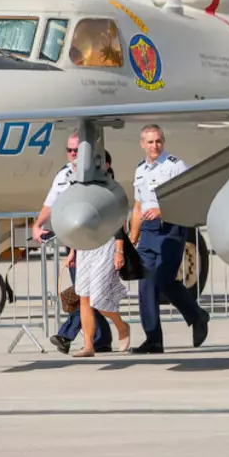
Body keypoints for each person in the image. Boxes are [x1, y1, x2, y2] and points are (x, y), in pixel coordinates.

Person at [129, 124, 210, 354]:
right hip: (149, 231)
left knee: (164, 280)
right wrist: (133, 237)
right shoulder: (140, 170)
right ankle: (153, 339)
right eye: (150, 142)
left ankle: (197, 316)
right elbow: (138, 206)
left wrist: (162, 211)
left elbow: (189, 197)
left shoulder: (175, 166)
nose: (155, 146)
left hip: (171, 227)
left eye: (158, 141)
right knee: (145, 287)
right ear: (142, 144)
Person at [32, 133, 112, 355]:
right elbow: (51, 202)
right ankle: (101, 337)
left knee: (84, 292)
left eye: (77, 150)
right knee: (86, 293)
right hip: (74, 241)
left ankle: (67, 335)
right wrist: (37, 224)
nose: (73, 155)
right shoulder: (63, 175)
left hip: (93, 241)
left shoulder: (95, 175)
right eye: (70, 150)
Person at [70, 152, 133, 357]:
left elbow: (118, 222)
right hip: (84, 245)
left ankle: (121, 326)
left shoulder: (111, 189)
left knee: (98, 298)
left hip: (106, 244)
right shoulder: (79, 188)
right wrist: (72, 250)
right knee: (84, 298)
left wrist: (119, 250)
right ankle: (88, 345)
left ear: (105, 164)